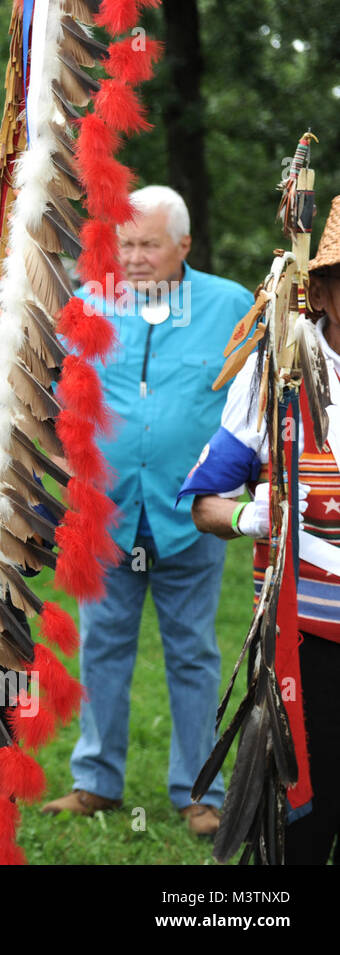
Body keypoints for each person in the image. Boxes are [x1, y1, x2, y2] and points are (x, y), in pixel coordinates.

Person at [40, 185, 255, 837]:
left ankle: (200, 791)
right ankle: (95, 781)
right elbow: (61, 402)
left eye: (148, 245)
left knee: (193, 651)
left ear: (183, 246)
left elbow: (253, 404)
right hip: (104, 514)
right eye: (123, 243)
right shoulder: (89, 304)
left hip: (191, 515)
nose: (132, 257)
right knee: (103, 644)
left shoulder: (231, 307)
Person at [181, 195, 340, 864]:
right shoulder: (280, 367)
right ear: (323, 288)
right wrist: (255, 514)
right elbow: (204, 501)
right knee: (302, 822)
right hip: (305, 647)